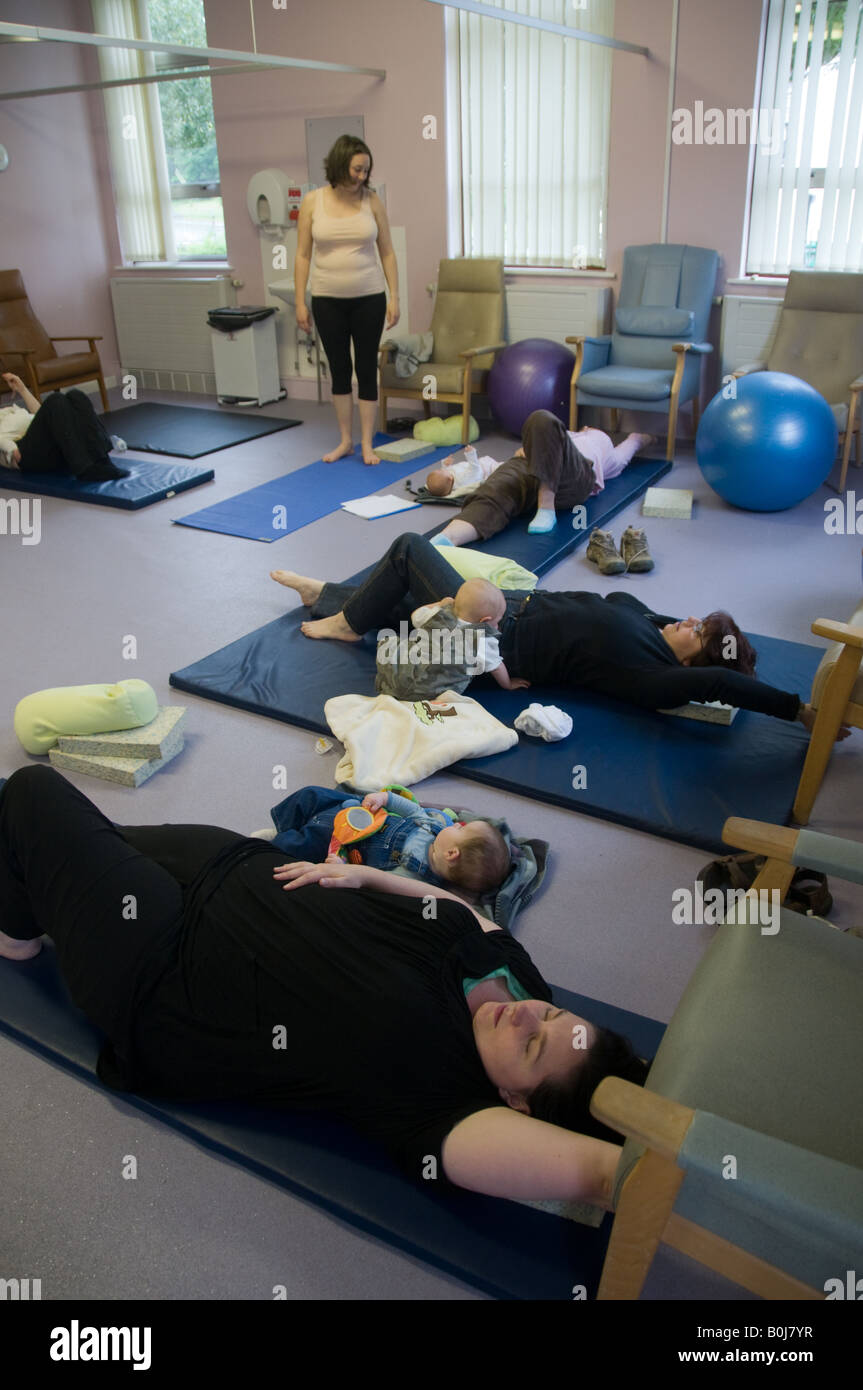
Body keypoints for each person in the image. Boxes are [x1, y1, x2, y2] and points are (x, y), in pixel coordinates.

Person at [0, 766, 647, 1205]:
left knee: (31, 791)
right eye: (556, 1019)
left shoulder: (445, 1107)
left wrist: (696, 1172)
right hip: (234, 866)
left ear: (517, 1104)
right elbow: (456, 910)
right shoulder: (520, 979)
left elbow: (604, 1178)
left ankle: (18, 922)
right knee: (23, 817)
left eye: (534, 1048)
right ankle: (24, 899)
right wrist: (365, 879)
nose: (529, 1018)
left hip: (161, 965)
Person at [268, 532, 852, 738]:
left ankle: (345, 622)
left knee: (411, 549)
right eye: (696, 618)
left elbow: (725, 681)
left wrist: (797, 709)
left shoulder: (656, 678)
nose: (687, 621)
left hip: (491, 634)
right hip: (502, 606)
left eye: (697, 631)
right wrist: (675, 625)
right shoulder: (646, 626)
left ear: (698, 661)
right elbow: (625, 600)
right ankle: (327, 595)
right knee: (404, 594)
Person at [294, 136, 399, 466]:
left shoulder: (373, 201)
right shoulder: (313, 202)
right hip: (327, 300)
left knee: (366, 368)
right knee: (339, 369)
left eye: (366, 170)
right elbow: (301, 255)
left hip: (369, 298)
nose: (361, 176)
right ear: (340, 165)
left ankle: (367, 443)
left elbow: (387, 251)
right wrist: (300, 301)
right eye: (356, 169)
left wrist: (395, 297)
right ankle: (345, 441)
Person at [434, 410, 654, 542]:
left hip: (572, 477)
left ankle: (546, 504)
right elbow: (540, 441)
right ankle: (446, 539)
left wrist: (640, 439)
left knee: (542, 417)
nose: (588, 428)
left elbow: (626, 451)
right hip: (529, 466)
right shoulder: (562, 432)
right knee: (495, 490)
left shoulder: (602, 443)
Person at [262, 784, 511, 896]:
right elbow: (413, 810)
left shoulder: (413, 877)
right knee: (310, 794)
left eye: (461, 829)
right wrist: (385, 799)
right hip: (357, 811)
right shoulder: (437, 826)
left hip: (339, 840)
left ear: (451, 854)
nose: (457, 823)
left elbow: (372, 882)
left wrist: (342, 869)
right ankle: (284, 824)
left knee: (291, 847)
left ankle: (276, 837)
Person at [374, 577, 529, 698]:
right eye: (497, 620)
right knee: (450, 691)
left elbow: (415, 616)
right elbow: (496, 666)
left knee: (395, 645)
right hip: (432, 692)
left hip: (401, 676)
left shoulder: (438, 614)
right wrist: (508, 684)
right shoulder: (481, 640)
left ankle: (389, 681)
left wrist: (440, 603)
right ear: (485, 621)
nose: (497, 625)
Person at [0, 373, 128, 482]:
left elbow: (41, 414)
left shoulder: (10, 410)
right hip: (26, 455)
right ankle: (84, 469)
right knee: (55, 400)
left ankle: (103, 459)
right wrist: (12, 451)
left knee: (75, 395)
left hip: (50, 446)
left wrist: (22, 389)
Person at [425, 447, 504, 498]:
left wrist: (445, 465)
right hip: (488, 469)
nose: (441, 469)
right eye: (440, 470)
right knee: (506, 467)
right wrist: (471, 455)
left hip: (481, 463)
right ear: (450, 478)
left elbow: (444, 474)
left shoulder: (448, 479)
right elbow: (476, 470)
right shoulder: (462, 480)